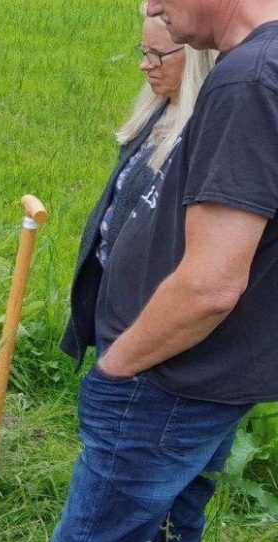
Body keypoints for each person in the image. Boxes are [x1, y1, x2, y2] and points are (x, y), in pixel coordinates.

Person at [49, 0, 278, 542]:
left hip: (163, 376)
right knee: (171, 538)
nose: (151, 9)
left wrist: (116, 367)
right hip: (213, 374)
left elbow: (209, 285)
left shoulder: (249, 78)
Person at [62, 10, 216, 363]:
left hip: (146, 313)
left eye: (156, 55)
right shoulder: (156, 113)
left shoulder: (202, 133)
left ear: (192, 59)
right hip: (112, 297)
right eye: (143, 52)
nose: (145, 66)